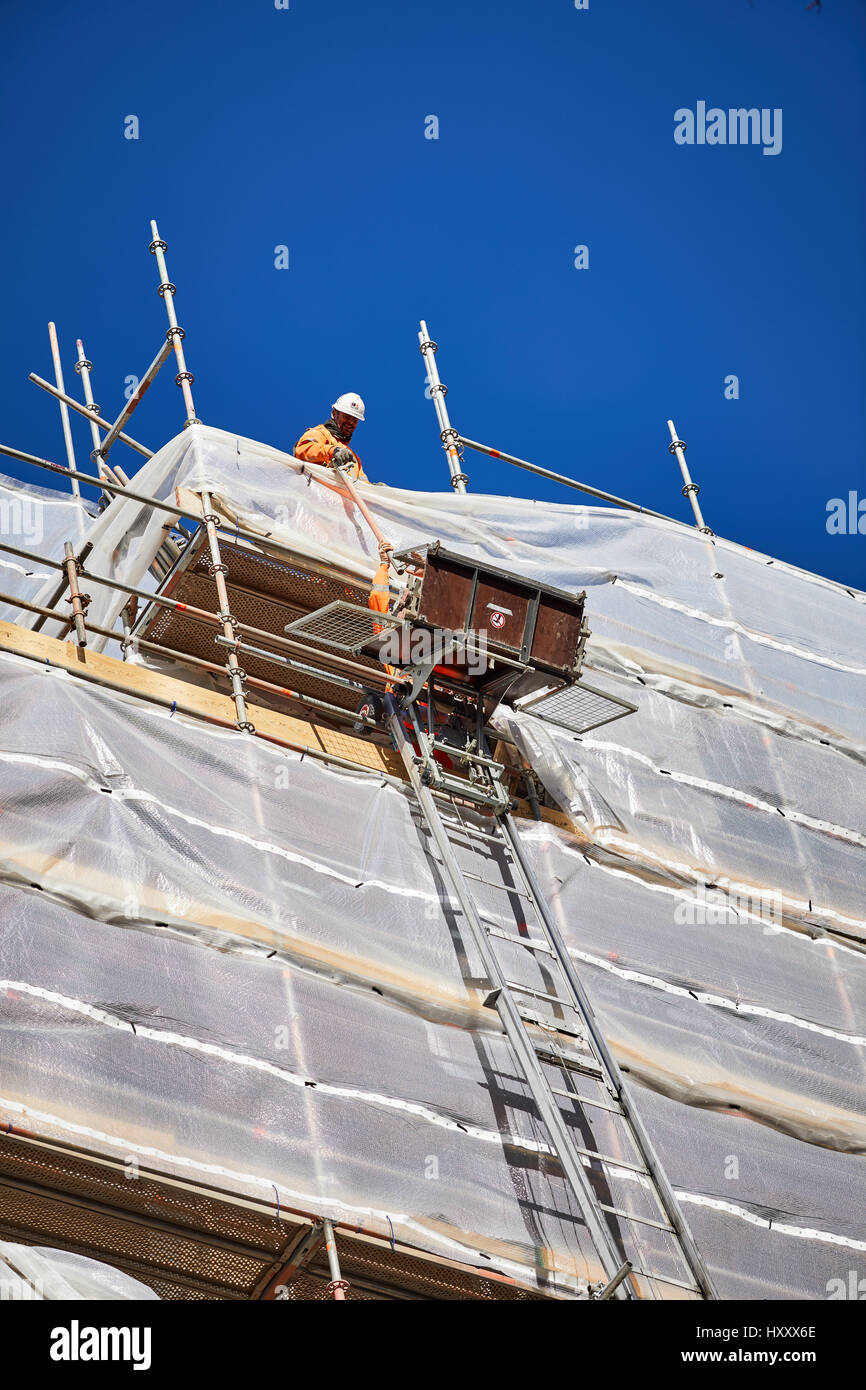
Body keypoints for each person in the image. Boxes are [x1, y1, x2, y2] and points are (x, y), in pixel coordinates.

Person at [294, 393, 368, 481]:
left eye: (355, 420)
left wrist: (378, 490)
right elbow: (302, 451)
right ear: (334, 413)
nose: (351, 422)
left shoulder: (353, 458)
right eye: (347, 416)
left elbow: (362, 485)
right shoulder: (320, 433)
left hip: (339, 494)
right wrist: (332, 451)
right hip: (314, 490)